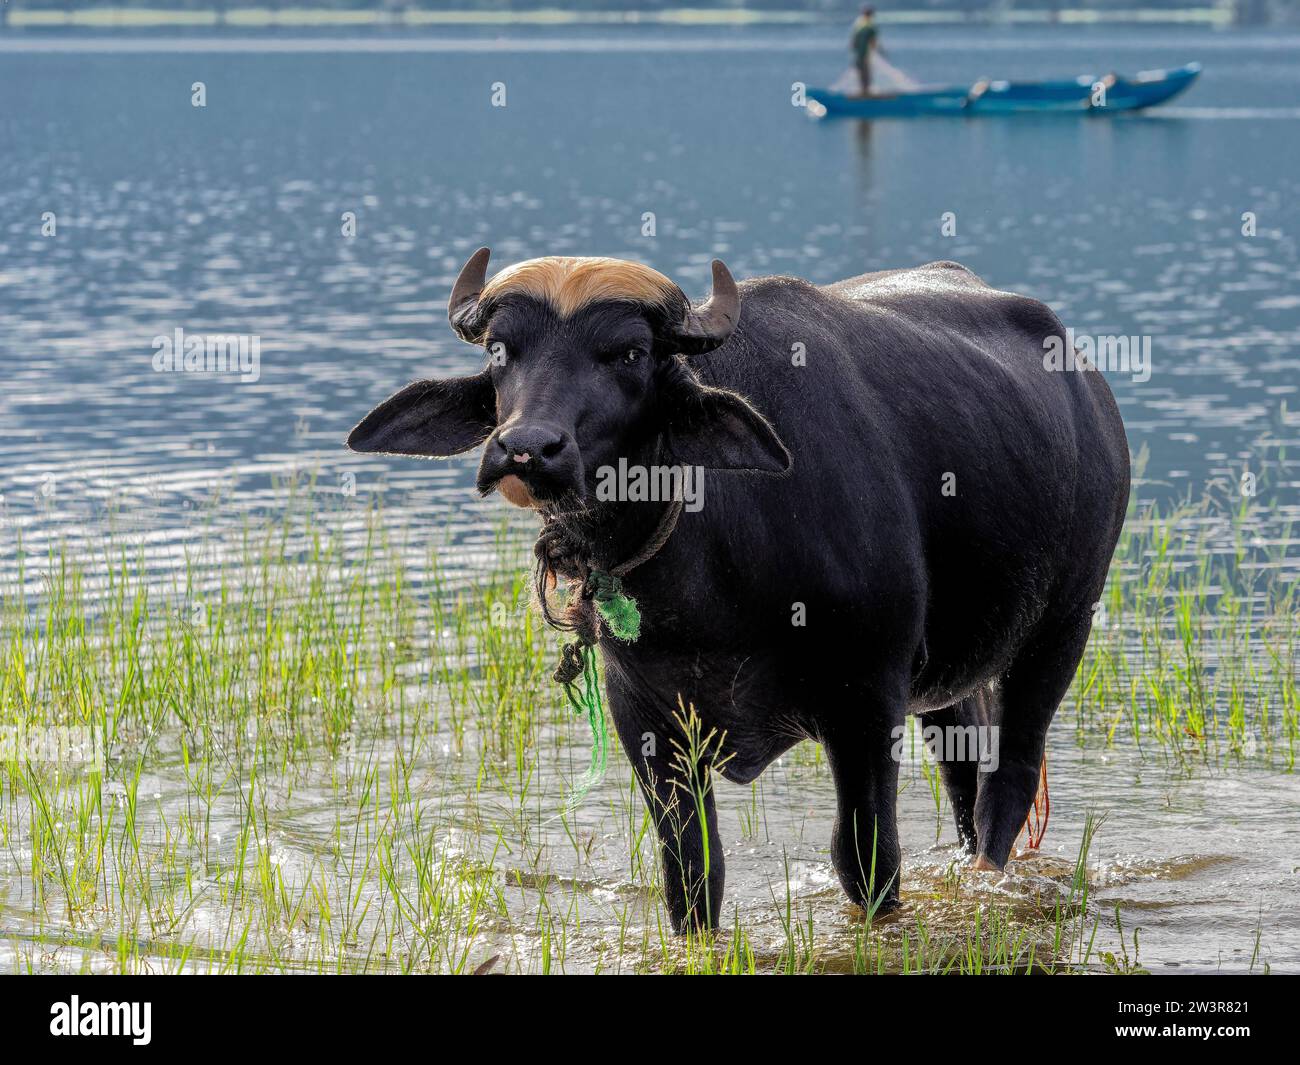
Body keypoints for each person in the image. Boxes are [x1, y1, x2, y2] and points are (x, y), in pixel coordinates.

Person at [850, 6, 881, 94]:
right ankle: (865, 90)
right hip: (863, 52)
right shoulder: (868, 25)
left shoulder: (860, 24)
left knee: (863, 70)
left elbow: (854, 41)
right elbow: (873, 42)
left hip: (862, 52)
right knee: (864, 70)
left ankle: (865, 90)